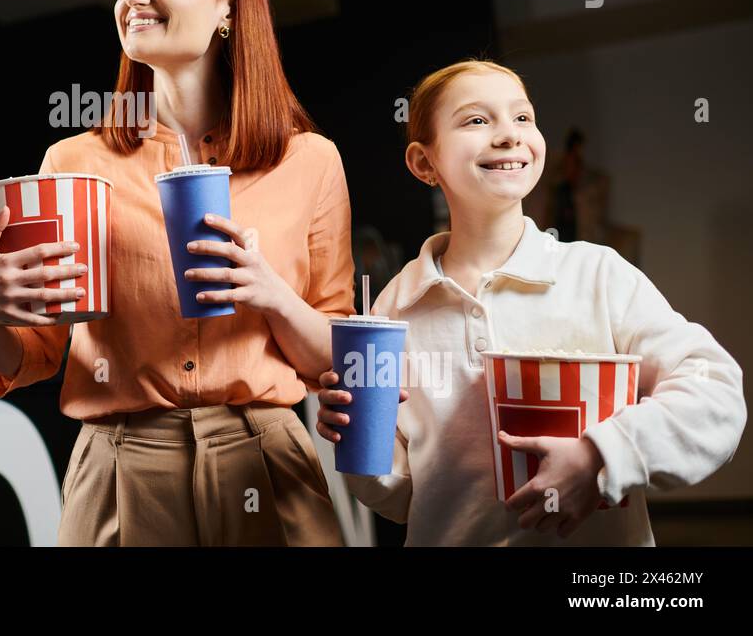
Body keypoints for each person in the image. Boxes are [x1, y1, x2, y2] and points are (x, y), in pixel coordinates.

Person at [0, 0, 353, 546]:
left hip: (266, 460)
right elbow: (35, 355)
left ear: (228, 6)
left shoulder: (310, 160)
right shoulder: (74, 163)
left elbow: (336, 358)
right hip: (119, 470)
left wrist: (269, 292)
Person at [315, 59, 746, 545]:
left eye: (522, 118)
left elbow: (718, 397)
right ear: (423, 162)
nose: (508, 135)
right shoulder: (393, 309)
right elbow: (400, 498)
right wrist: (359, 441)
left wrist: (601, 456)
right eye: (477, 121)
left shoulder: (598, 275)